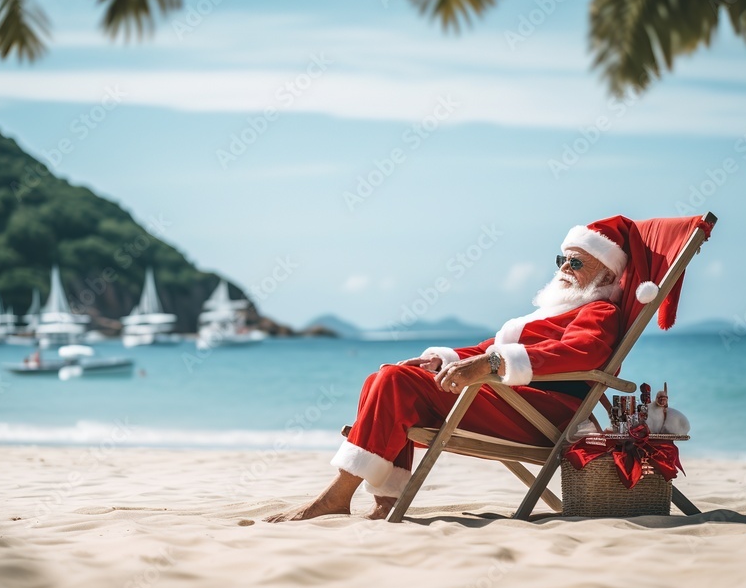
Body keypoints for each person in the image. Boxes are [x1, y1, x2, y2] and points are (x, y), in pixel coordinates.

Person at [265, 215, 701, 522]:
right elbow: (486, 347)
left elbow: (583, 355)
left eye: (577, 261)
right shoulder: (546, 314)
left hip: (543, 414)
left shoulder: (600, 312)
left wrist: (493, 364)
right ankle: (384, 501)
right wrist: (446, 359)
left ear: (607, 274)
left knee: (394, 383)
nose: (564, 268)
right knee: (387, 374)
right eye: (561, 260)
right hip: (512, 401)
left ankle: (337, 497)